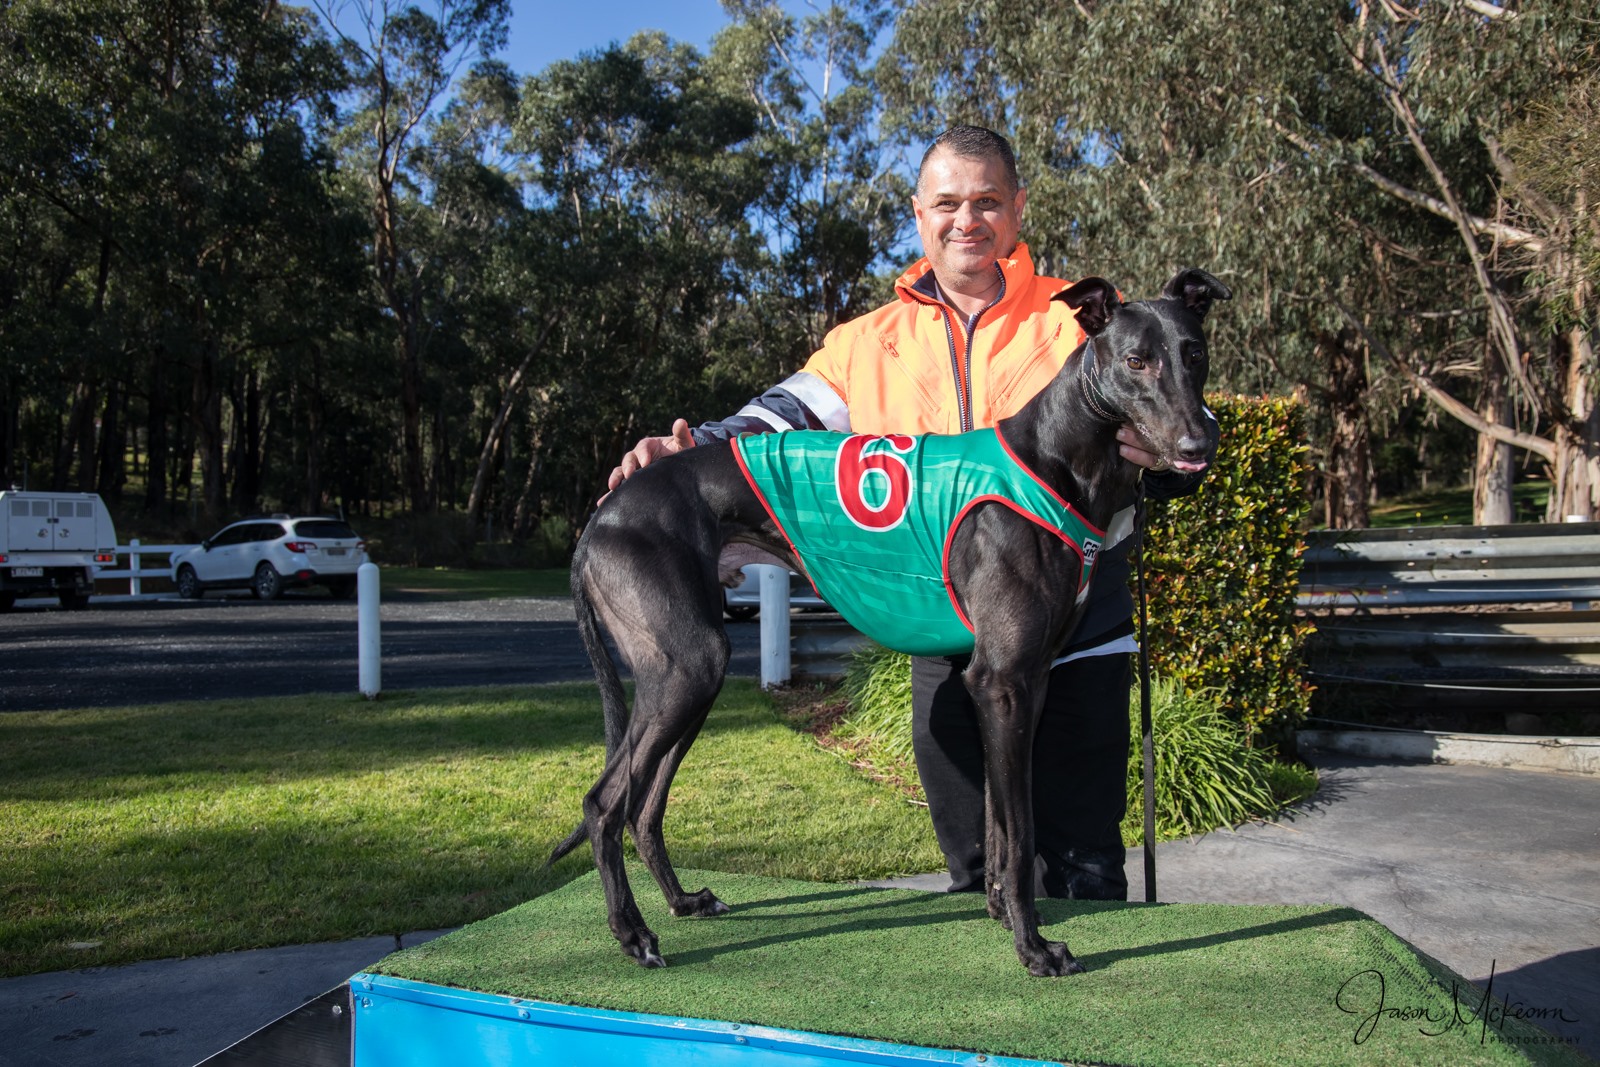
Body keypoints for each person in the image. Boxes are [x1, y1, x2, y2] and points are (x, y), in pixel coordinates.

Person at [604, 125, 1211, 900]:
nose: (968, 220)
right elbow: (775, 423)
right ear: (919, 213)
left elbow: (1178, 442)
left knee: (1085, 872)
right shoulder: (868, 341)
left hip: (1081, 635)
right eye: (948, 202)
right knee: (976, 877)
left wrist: (1162, 463)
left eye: (988, 201)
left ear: (1018, 208)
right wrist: (684, 448)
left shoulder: (1084, 323)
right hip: (945, 629)